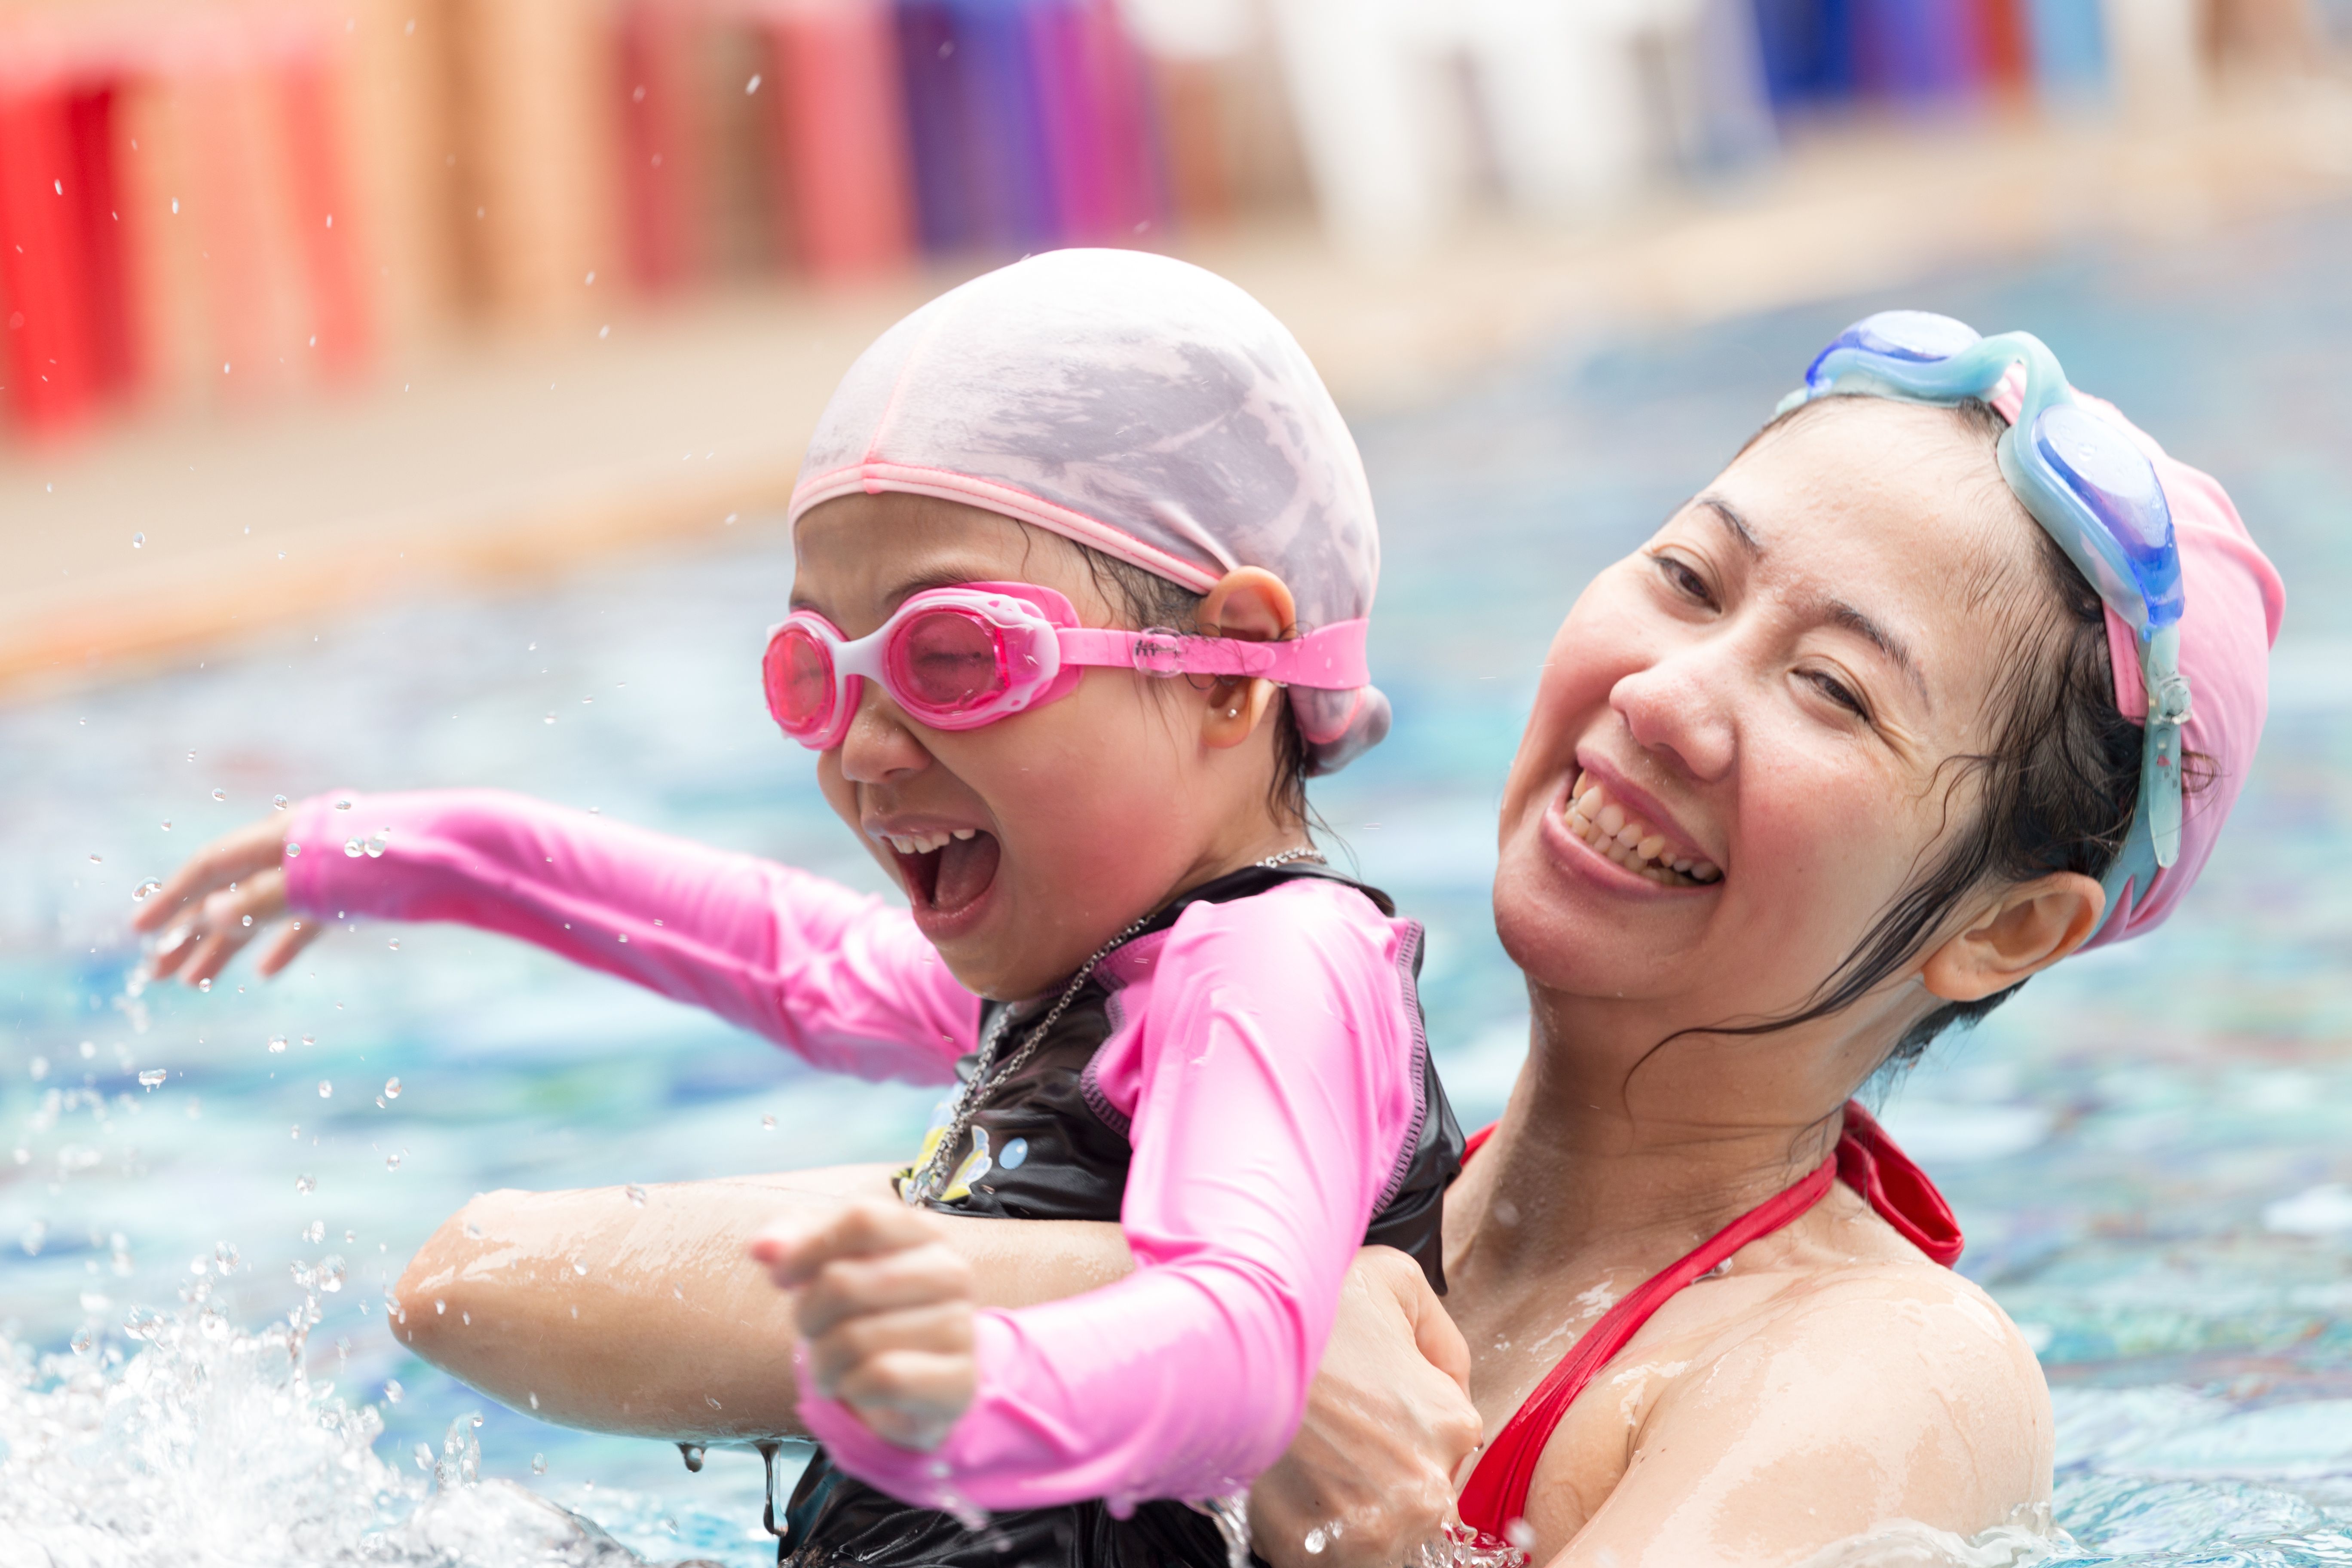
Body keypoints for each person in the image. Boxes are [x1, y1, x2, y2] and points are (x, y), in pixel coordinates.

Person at [159, 309, 2283, 1567]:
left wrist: (1267, 1396)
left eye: (1830, 688)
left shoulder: (1881, 1374)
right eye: (1688, 579)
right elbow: (481, 1291)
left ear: (2007, 927)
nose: (1670, 695)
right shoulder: (1257, 1126)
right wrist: (1214, 1315)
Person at [130, 250, 1464, 1566]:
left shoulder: (1277, 963)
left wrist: (979, 1380)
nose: (864, 749)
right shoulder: (1098, 968)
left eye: (955, 658)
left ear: (1229, 669)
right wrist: (429, 850)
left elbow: (1252, 1339)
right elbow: (792, 957)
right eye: (816, 672)